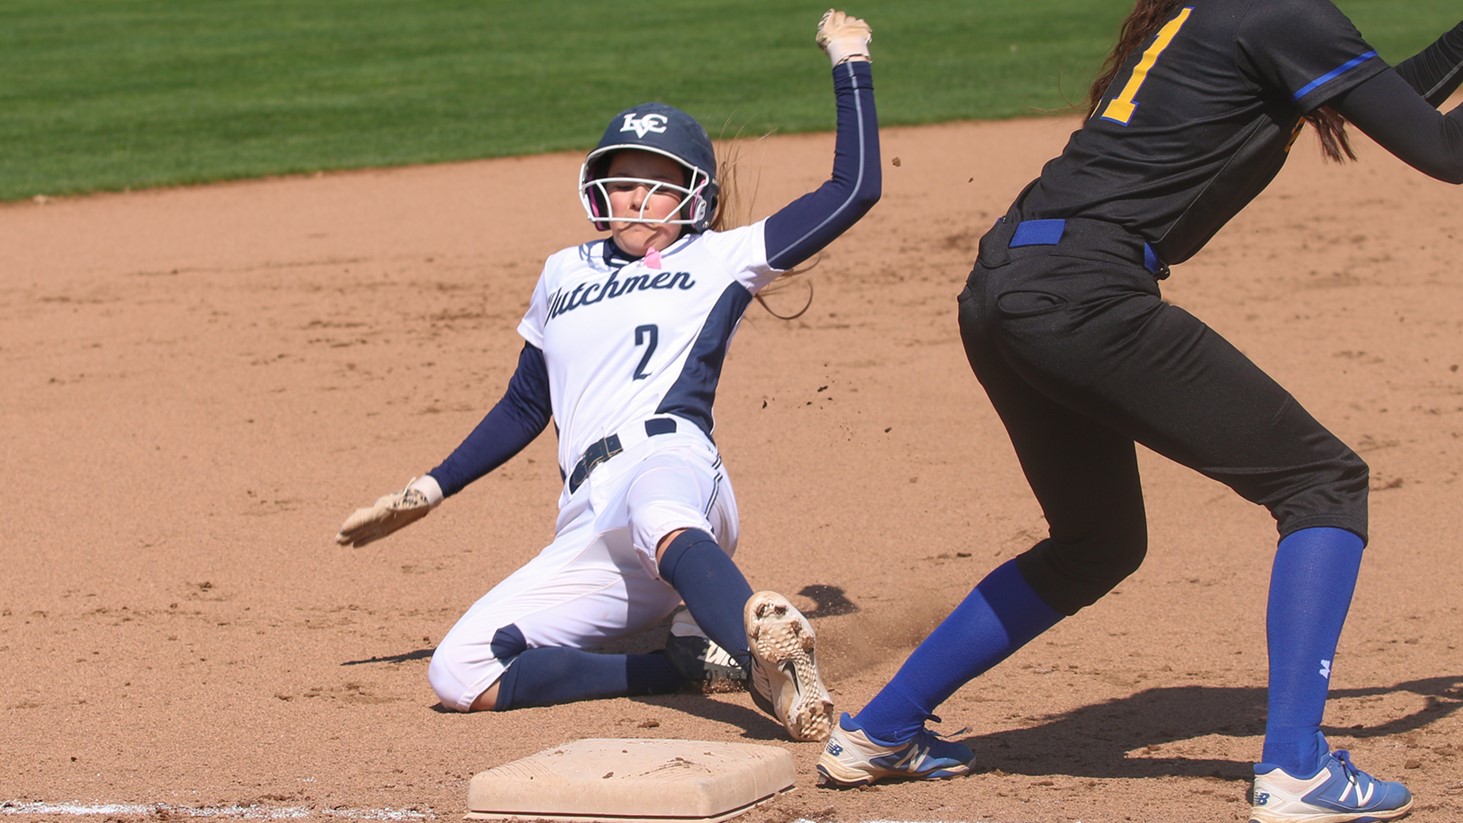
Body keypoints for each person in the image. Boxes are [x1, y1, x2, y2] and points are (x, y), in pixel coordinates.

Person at [817, 1, 1462, 820]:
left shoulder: (1222, 12)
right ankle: (1297, 768)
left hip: (1005, 282)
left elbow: (1393, 107)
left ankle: (880, 729)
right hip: (1085, 295)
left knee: (1096, 543)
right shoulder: (1287, 14)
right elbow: (1446, 151)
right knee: (1321, 482)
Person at [334, 9, 879, 743]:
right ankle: (688, 664)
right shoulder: (562, 271)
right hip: (588, 520)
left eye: (656, 185)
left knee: (656, 506)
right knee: (458, 672)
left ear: (696, 196)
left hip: (674, 465)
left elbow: (853, 189)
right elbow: (526, 402)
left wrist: (850, 59)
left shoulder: (720, 257)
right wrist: (428, 488)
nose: (634, 198)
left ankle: (772, 671)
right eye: (621, 182)